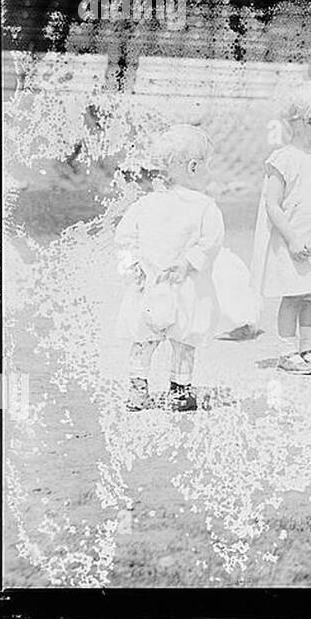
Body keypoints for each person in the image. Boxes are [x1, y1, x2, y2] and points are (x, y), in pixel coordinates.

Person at [116, 124, 226, 412]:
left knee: (144, 338)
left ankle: (138, 389)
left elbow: (124, 239)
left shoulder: (145, 204)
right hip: (185, 286)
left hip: (149, 286)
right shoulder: (205, 207)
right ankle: (180, 390)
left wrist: (133, 266)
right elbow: (211, 241)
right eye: (207, 166)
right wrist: (188, 262)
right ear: (193, 167)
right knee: (184, 339)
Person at [250, 80, 311, 374]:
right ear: (308, 120)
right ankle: (287, 350)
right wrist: (292, 239)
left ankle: (309, 348)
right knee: (293, 295)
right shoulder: (284, 159)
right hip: (293, 243)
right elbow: (272, 204)